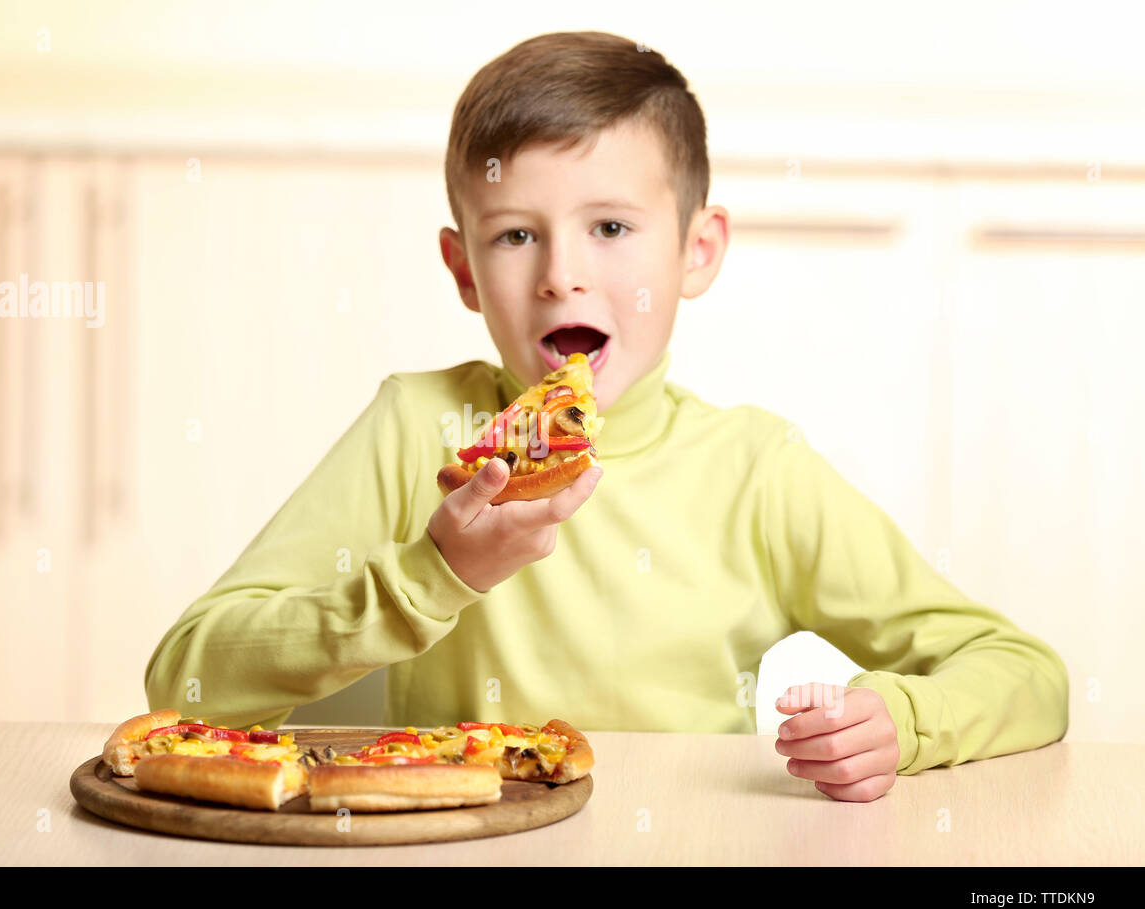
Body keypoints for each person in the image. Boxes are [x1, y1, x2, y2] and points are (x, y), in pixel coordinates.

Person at [145, 31, 1068, 802]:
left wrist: (899, 724)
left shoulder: (756, 469)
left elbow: (1025, 673)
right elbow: (187, 676)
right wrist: (433, 577)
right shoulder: (417, 426)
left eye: (612, 228)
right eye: (514, 234)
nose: (561, 274)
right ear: (463, 270)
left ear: (697, 252)